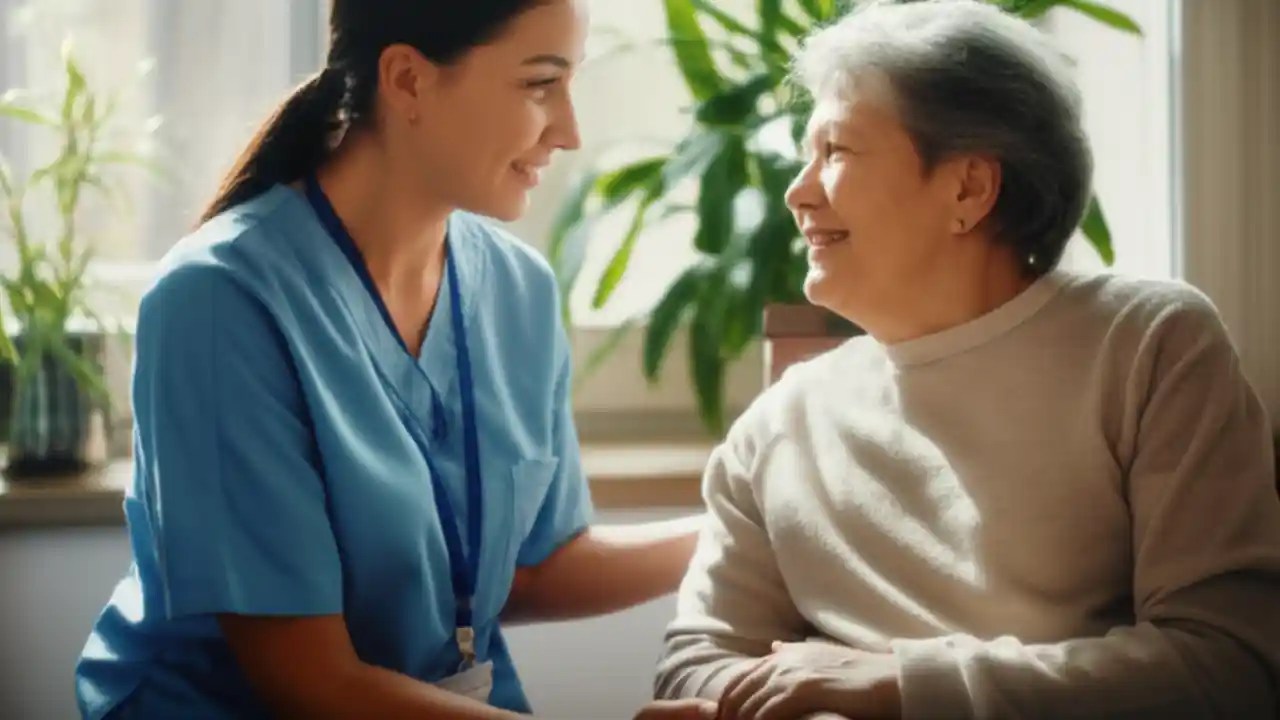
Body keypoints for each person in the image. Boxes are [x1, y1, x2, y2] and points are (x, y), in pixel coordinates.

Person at [74, 2, 716, 719]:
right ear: (408, 80)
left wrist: (745, 528)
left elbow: (532, 570)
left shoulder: (519, 290)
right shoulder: (219, 299)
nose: (569, 132)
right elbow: (309, 680)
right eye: (540, 85)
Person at [654, 1, 1280, 718]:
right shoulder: (779, 424)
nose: (797, 193)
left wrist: (900, 683)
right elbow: (693, 663)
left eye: (835, 152)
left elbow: (1231, 663)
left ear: (969, 188)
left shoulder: (1149, 345)